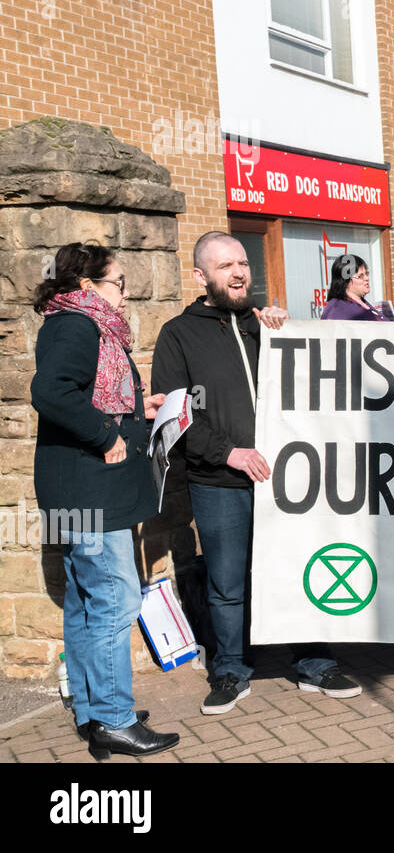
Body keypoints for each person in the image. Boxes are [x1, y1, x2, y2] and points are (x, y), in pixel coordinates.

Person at [152, 231, 363, 714]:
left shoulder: (266, 325)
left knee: (298, 569)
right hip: (219, 482)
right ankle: (230, 669)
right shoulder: (178, 334)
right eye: (225, 266)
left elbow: (312, 385)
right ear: (200, 276)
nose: (239, 272)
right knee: (227, 583)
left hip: (289, 481)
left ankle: (314, 662)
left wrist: (290, 334)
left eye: (243, 262)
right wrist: (230, 453)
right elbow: (175, 416)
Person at [30, 243, 182, 760]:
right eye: (119, 282)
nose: (126, 292)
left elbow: (91, 391)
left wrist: (142, 409)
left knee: (85, 600)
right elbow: (52, 392)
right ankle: (114, 720)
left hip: (74, 488)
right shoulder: (80, 325)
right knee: (117, 600)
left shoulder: (70, 321)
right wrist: (104, 436)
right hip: (90, 487)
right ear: (90, 286)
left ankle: (95, 709)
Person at [320, 254, 391, 321]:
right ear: (345, 281)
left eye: (366, 274)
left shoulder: (363, 303)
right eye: (360, 276)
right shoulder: (336, 309)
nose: (367, 278)